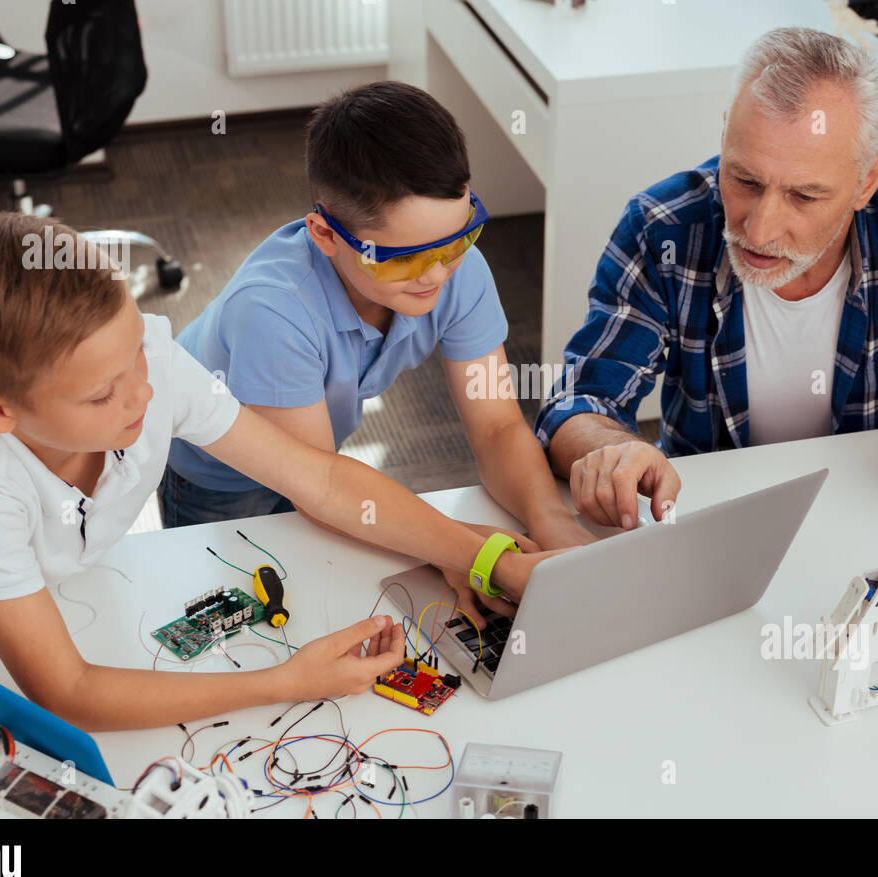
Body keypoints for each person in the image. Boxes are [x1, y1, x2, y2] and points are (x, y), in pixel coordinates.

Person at [0, 213, 558, 731]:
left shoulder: (147, 367)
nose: (142, 393)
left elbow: (317, 479)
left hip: (40, 589)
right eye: (101, 393)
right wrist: (285, 680)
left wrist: (476, 554)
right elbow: (67, 692)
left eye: (136, 351)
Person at [536, 26, 878, 530]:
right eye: (744, 179)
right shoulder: (661, 229)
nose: (759, 227)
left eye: (804, 195)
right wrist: (608, 452)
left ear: (867, 181)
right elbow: (579, 404)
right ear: (726, 135)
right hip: (715, 521)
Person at [164, 81, 594, 622]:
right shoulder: (270, 310)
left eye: (458, 239)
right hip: (216, 474)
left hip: (320, 455)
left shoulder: (457, 272)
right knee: (242, 615)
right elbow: (320, 487)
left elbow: (498, 428)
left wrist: (550, 517)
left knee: (329, 582)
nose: (438, 274)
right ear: (324, 234)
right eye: (403, 259)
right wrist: (466, 548)